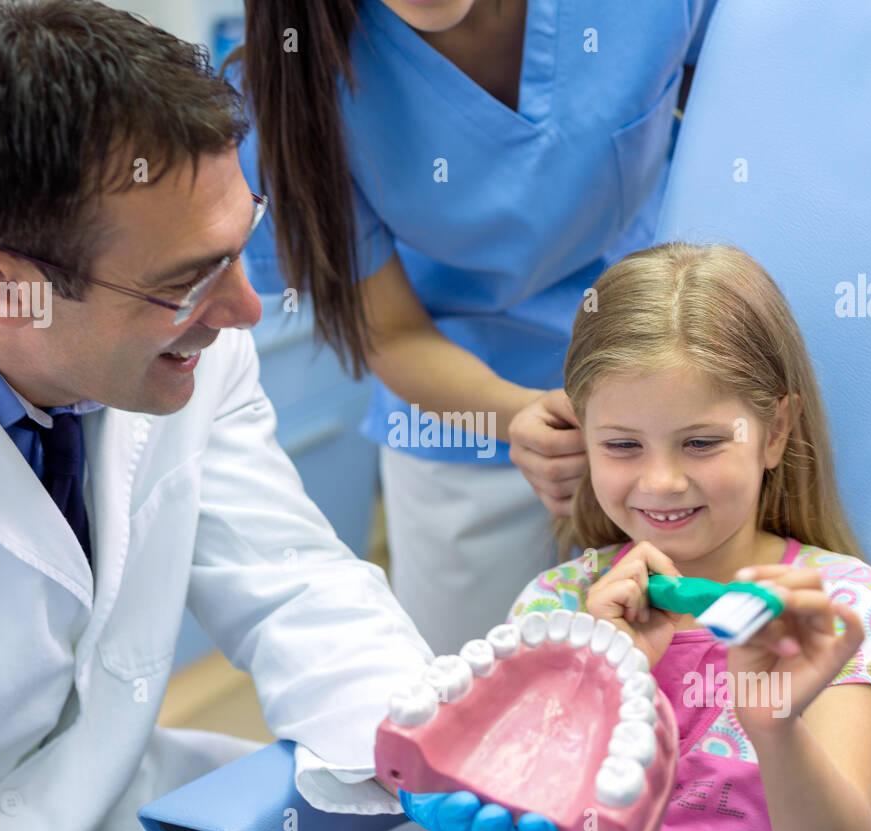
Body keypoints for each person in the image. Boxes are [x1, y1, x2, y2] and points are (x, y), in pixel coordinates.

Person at [0, 0, 458, 831]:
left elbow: (289, 584)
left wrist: (419, 748)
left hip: (116, 819)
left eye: (240, 241)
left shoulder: (185, 336)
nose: (244, 309)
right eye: (186, 282)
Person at [229, 0, 718, 659]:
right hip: (463, 427)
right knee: (482, 712)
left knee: (695, 702)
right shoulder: (294, 80)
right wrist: (520, 418)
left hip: (671, 391)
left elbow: (760, 126)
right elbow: (393, 334)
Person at [493, 243, 871, 831]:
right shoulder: (555, 607)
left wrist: (773, 725)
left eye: (700, 442)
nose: (662, 481)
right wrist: (605, 684)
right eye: (621, 445)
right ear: (583, 437)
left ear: (774, 432)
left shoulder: (828, 605)